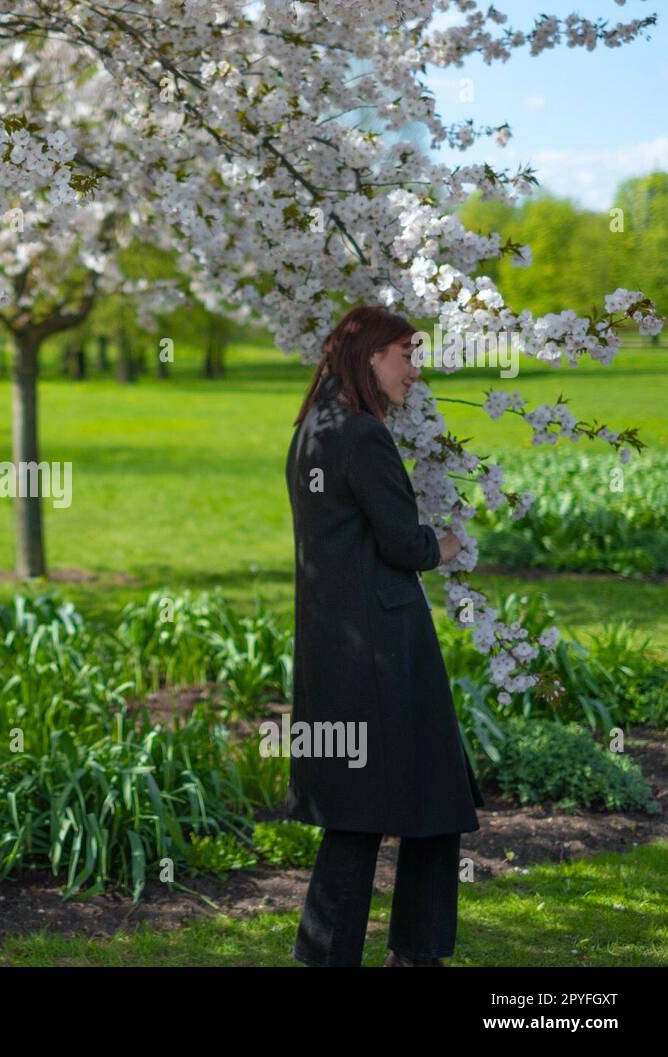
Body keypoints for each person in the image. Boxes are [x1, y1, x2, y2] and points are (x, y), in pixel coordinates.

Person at [284, 304, 485, 968]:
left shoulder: (312, 428)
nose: (414, 369)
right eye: (406, 353)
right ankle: (416, 952)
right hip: (384, 648)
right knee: (430, 797)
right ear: (372, 355)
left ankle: (336, 956)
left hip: (334, 644)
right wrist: (446, 544)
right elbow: (403, 542)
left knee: (363, 808)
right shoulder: (362, 435)